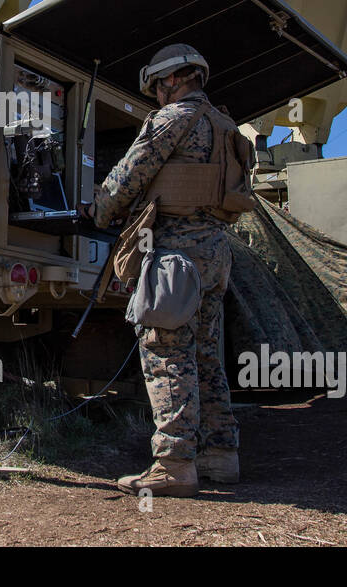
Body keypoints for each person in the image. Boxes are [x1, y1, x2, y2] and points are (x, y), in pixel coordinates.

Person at [85, 43, 242, 497]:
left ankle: (174, 464)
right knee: (207, 356)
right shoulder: (226, 126)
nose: (156, 95)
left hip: (176, 255)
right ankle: (221, 455)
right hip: (215, 253)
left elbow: (129, 176)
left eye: (157, 86)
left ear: (173, 79)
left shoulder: (173, 119)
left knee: (166, 351)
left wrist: (98, 210)